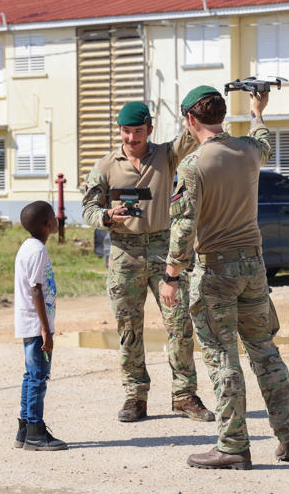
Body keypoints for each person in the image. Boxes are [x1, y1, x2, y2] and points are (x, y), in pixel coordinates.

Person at [160, 86, 289, 469]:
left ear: (190, 120)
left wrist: (171, 275)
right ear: (220, 116)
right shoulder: (247, 152)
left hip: (216, 271)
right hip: (253, 267)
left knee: (223, 358)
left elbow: (183, 228)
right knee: (265, 352)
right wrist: (257, 110)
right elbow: (263, 140)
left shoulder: (193, 165)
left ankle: (233, 445)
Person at [82, 102, 214, 423]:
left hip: (163, 250)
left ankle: (184, 395)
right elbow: (87, 208)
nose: (131, 138)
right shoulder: (105, 167)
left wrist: (195, 110)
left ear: (149, 130)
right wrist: (106, 215)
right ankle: (135, 396)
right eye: (125, 132)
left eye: (137, 132)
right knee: (128, 328)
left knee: (179, 322)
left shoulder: (166, 155)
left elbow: (192, 134)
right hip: (124, 253)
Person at [14, 200, 67, 451]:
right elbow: (36, 290)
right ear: (47, 225)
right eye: (53, 217)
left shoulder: (29, 246)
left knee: (31, 376)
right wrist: (45, 329)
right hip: (36, 326)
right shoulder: (37, 251)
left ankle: (24, 429)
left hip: (32, 324)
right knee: (39, 377)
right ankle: (35, 431)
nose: (57, 219)